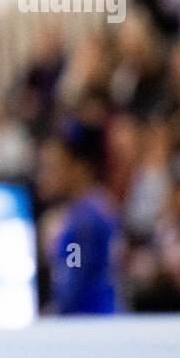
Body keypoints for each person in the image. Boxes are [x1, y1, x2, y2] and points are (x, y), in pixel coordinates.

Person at [37, 121, 120, 315]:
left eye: (53, 167)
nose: (45, 176)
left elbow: (73, 275)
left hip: (91, 321)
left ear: (79, 168)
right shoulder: (89, 209)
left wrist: (52, 312)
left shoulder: (85, 221)